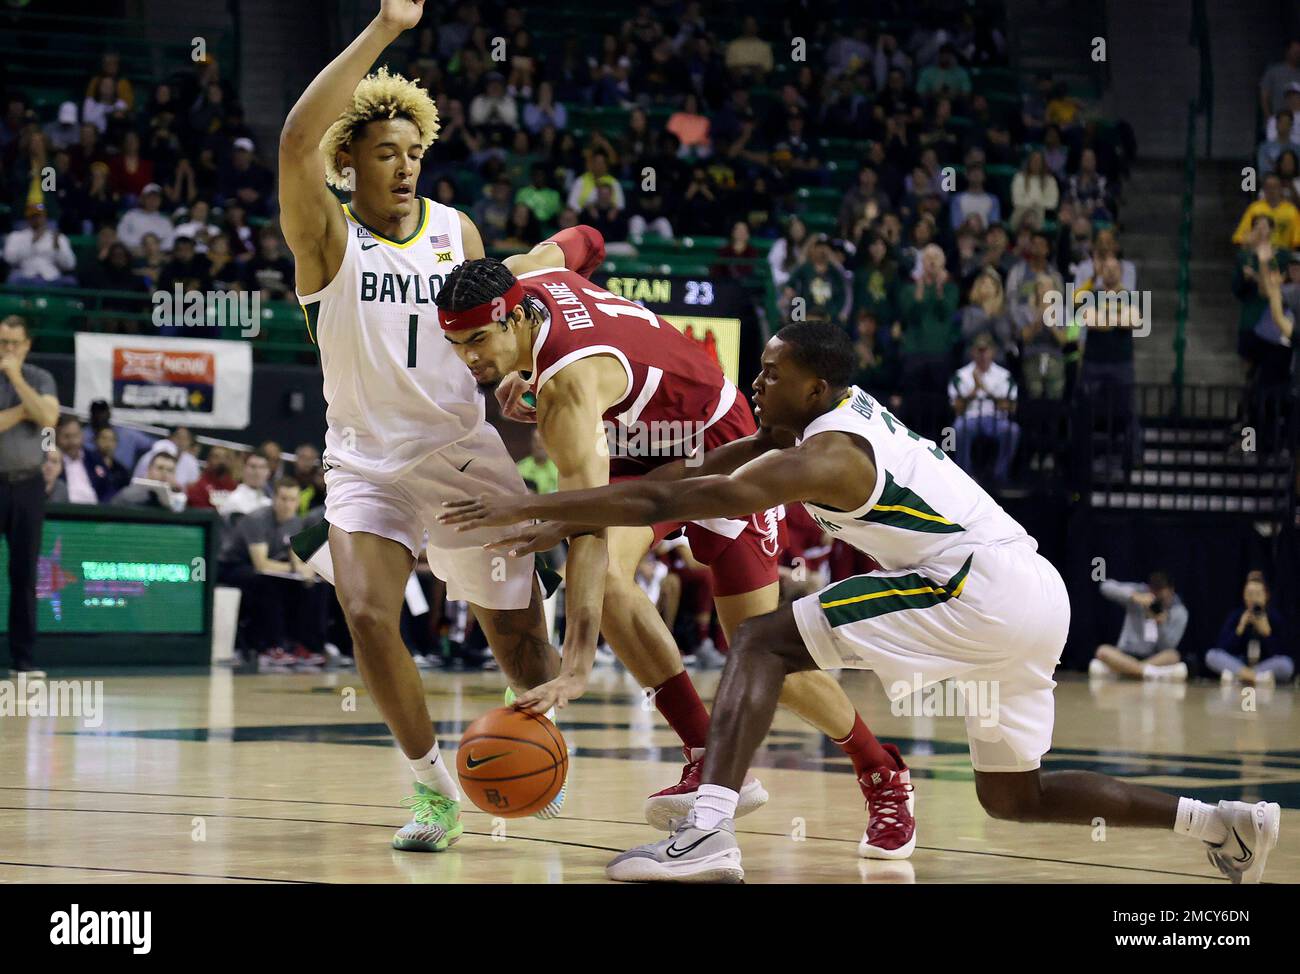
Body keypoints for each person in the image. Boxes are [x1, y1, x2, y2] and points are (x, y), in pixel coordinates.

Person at [440, 321, 1283, 885]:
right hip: (1033, 596)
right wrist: (554, 519)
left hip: (978, 585)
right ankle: (1220, 824)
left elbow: (666, 507)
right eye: (758, 372)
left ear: (815, 389)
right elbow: (679, 477)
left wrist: (528, 509)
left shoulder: (826, 456)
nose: (755, 385)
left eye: (771, 376)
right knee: (1011, 798)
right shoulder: (801, 426)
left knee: (763, 642)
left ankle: (707, 830)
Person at [439, 253, 915, 856]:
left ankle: (882, 772)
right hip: (643, 448)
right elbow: (586, 238)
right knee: (611, 578)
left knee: (765, 655)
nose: (470, 357)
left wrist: (578, 663)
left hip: (721, 443)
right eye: (455, 343)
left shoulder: (567, 389)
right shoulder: (526, 274)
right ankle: (704, 753)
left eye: (480, 339)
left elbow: (585, 529)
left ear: (513, 316)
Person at [277, 0, 566, 853]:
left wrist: (516, 376)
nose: (404, 168)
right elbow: (295, 140)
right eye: (384, 153)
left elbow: (490, 333)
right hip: (366, 462)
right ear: (349, 160)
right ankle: (434, 792)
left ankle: (542, 753)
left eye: (414, 153)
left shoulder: (456, 231)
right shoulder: (325, 237)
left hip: (462, 456)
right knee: (367, 610)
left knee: (517, 633)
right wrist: (385, 30)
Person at [0, 315, 60, 678]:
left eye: (13, 343)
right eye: (2, 342)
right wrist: (26, 411)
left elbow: (49, 419)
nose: (6, 350)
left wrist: (16, 379)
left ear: (26, 345)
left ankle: (23, 659)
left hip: (27, 485)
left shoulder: (39, 377)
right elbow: (37, 413)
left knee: (23, 573)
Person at [217, 478, 326, 668]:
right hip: (233, 567)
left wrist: (306, 570)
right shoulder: (257, 519)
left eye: (292, 500)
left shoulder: (296, 522)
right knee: (267, 583)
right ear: (274, 499)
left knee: (314, 586)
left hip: (269, 569)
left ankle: (306, 646)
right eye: (283, 499)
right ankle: (270, 647)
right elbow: (261, 564)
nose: (287, 504)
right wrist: (295, 569)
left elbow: (296, 557)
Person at [1089, 571, 1189, 681]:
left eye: (1160, 594)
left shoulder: (1179, 612)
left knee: (1173, 655)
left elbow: (1168, 647)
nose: (1156, 598)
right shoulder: (1141, 592)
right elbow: (1105, 586)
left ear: (1171, 590)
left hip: (1154, 657)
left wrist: (1160, 625)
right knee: (1102, 651)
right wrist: (1134, 596)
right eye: (1153, 591)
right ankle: (1147, 672)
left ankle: (1127, 670)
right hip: (1126, 654)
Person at [949, 334, 1019, 485]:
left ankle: (1000, 475)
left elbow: (1011, 407)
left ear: (992, 352)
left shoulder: (1004, 376)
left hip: (996, 420)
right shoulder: (961, 375)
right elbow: (957, 408)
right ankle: (964, 477)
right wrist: (974, 390)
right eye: (979, 350)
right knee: (958, 428)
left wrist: (986, 389)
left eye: (985, 350)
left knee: (1012, 430)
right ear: (972, 352)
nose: (982, 354)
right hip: (970, 418)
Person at [1206, 572, 1294, 687]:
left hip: (1264, 666)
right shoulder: (1237, 616)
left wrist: (1267, 634)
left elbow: (1281, 654)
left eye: (1257, 594)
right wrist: (1239, 629)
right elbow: (1222, 648)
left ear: (1266, 596)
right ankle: (1253, 678)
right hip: (1240, 663)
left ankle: (1241, 677)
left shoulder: (1274, 617)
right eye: (1249, 594)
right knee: (1211, 655)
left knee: (1287, 665)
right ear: (1244, 595)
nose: (1253, 598)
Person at [3, 203, 77, 287]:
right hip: (26, 277)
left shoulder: (58, 237)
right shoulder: (16, 236)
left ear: (45, 218)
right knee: (13, 278)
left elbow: (70, 265)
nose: (37, 219)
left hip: (52, 279)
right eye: (33, 216)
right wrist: (32, 242)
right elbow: (9, 259)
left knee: (70, 282)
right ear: (28, 218)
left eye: (39, 216)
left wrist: (58, 248)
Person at [83, 399, 155, 471]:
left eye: (102, 412)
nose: (99, 416)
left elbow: (153, 444)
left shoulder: (126, 434)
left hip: (122, 477)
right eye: (96, 412)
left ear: (109, 413)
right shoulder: (83, 436)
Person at [112, 450, 186, 510]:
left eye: (170, 470)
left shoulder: (180, 502)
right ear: (149, 471)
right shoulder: (128, 496)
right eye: (160, 468)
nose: (164, 474)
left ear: (175, 475)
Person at [54, 416, 99, 504]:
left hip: (95, 511)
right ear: (56, 437)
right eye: (67, 437)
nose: (73, 442)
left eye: (76, 436)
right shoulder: (52, 461)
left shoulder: (93, 458)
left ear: (82, 435)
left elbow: (107, 488)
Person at [218, 450, 274, 518]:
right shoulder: (233, 500)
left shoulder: (270, 503)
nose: (257, 472)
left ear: (268, 472)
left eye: (262, 467)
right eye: (253, 466)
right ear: (243, 469)